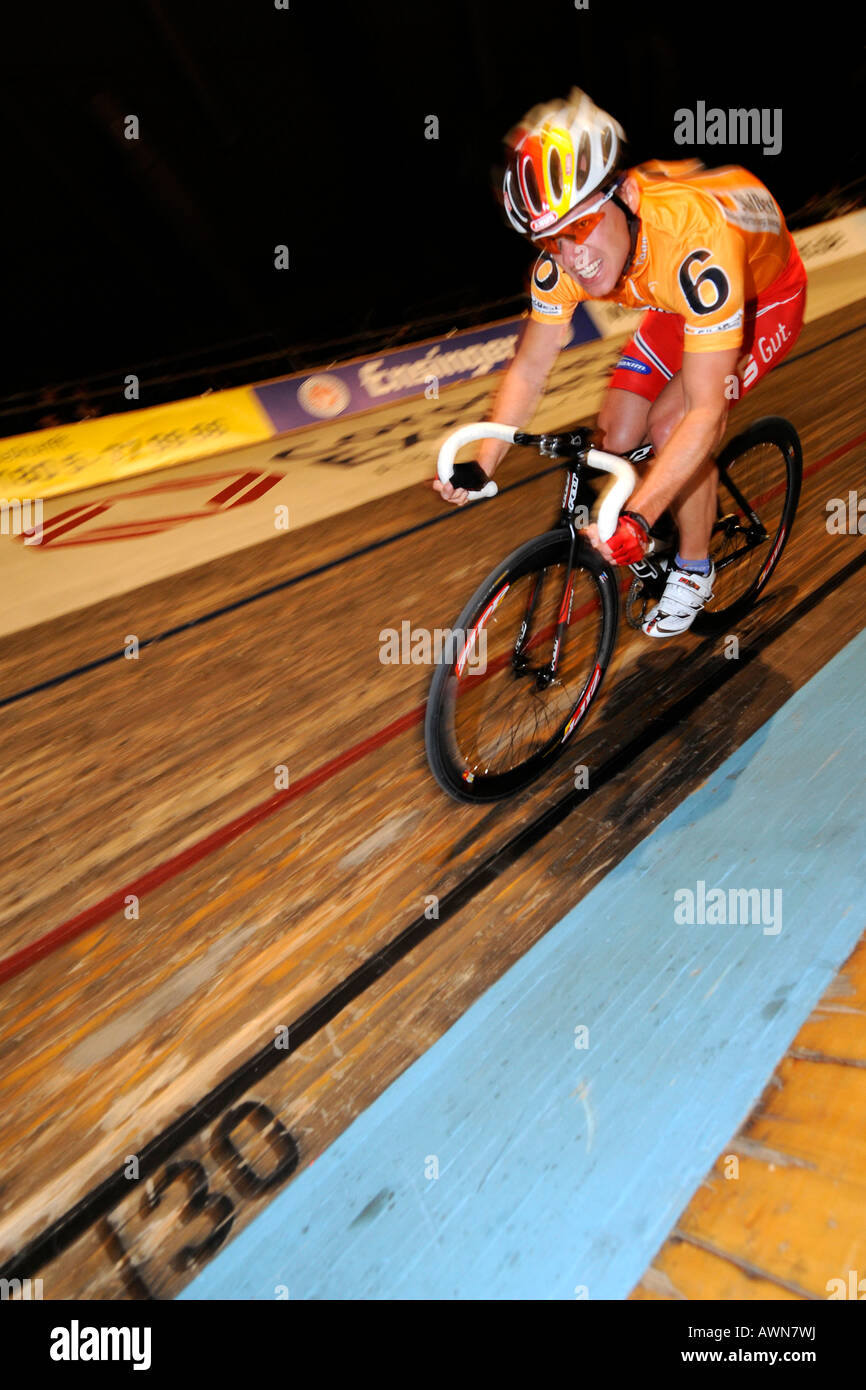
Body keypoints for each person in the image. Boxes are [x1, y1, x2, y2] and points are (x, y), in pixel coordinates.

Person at [434, 90, 807, 636]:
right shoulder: (560, 264)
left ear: (625, 195)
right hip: (677, 300)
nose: (572, 255)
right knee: (613, 438)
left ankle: (694, 568)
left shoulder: (693, 238)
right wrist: (485, 463)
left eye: (581, 226)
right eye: (550, 239)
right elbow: (530, 369)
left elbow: (706, 413)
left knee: (673, 424)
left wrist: (640, 512)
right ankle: (669, 514)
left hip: (762, 296)